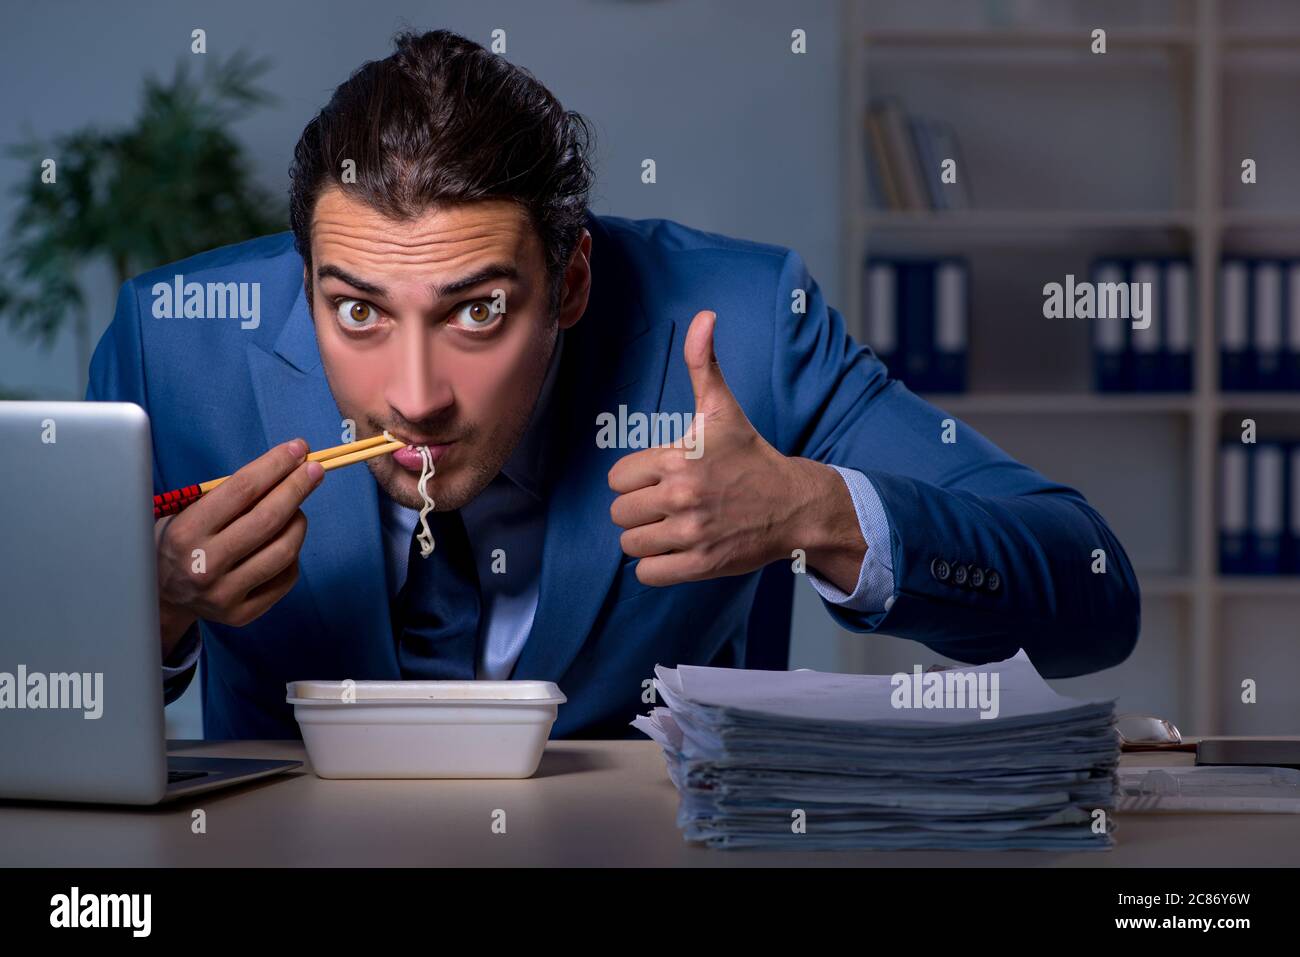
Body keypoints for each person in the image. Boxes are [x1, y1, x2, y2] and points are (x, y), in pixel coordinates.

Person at [87, 29, 1139, 739]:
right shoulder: (176, 348)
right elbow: (41, 697)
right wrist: (157, 605)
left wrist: (819, 514)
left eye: (478, 311)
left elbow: (1094, 597)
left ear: (573, 281)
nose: (414, 396)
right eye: (357, 312)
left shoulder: (745, 327)